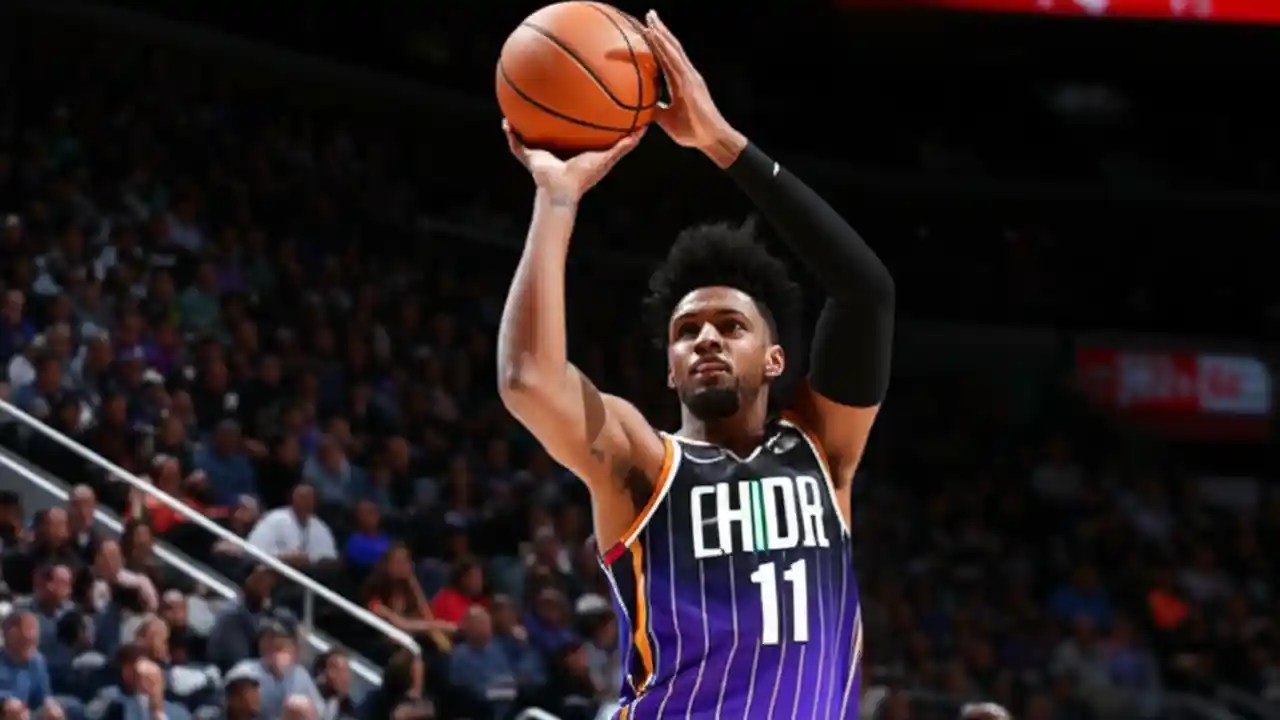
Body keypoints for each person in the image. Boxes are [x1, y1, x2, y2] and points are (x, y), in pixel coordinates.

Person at [496, 11, 894, 720]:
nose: (705, 339)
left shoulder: (823, 451)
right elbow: (529, 379)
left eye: (730, 325)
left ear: (775, 359)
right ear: (671, 370)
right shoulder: (642, 463)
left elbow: (865, 290)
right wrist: (556, 198)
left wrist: (719, 141)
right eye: (687, 333)